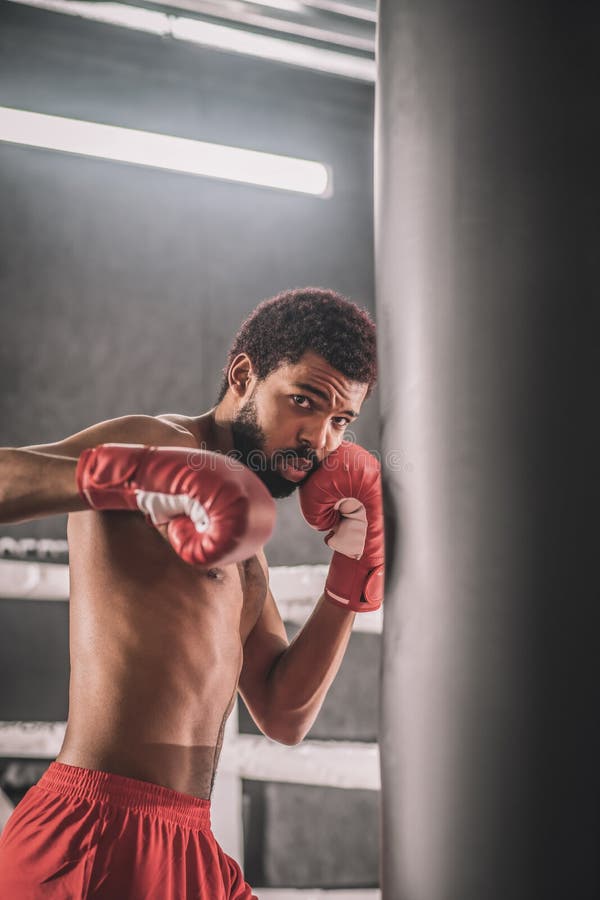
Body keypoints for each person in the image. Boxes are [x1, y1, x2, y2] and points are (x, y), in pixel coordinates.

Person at [0, 287, 384, 899]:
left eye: (340, 421)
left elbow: (284, 713)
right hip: (97, 832)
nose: (320, 440)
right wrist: (131, 476)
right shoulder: (155, 441)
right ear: (244, 375)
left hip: (190, 842)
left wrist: (350, 572)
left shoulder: (241, 540)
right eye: (303, 401)